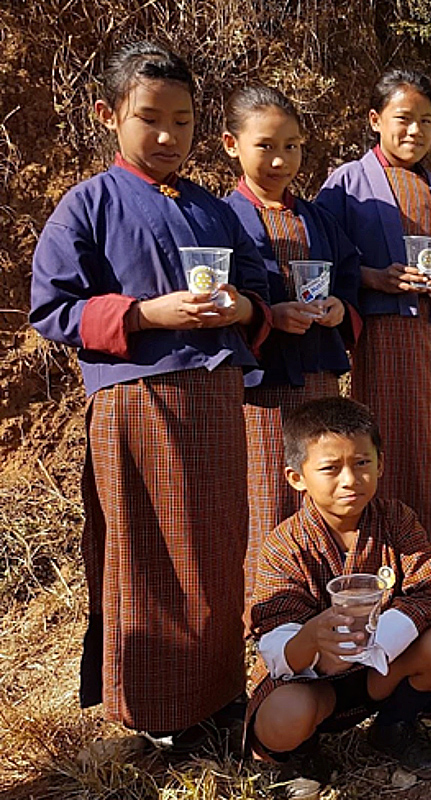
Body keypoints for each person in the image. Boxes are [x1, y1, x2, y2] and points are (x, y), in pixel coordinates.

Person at [28, 42, 271, 750]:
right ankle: (158, 712)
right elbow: (52, 309)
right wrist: (142, 314)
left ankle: (219, 693)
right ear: (109, 115)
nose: (168, 137)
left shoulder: (212, 209)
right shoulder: (88, 205)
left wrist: (242, 308)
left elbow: (257, 288)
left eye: (183, 122)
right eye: (150, 119)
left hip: (217, 397)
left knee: (218, 548)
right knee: (149, 555)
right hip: (139, 401)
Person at [246, 397, 431, 798]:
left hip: (380, 669)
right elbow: (272, 632)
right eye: (330, 468)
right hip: (313, 683)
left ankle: (395, 725)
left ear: (380, 464)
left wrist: (379, 638)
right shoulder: (285, 545)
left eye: (362, 462)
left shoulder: (396, 520)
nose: (350, 479)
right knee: (286, 715)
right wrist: (312, 638)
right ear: (297, 478)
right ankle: (301, 755)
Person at [316, 69, 431, 567]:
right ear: (375, 119)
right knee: (382, 443)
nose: (415, 131)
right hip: (382, 336)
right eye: (403, 118)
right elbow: (322, 257)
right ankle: (380, 561)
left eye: (426, 121)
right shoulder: (348, 183)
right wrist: (373, 278)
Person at [221, 85, 362, 614]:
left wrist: (340, 309)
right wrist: (268, 316)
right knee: (269, 493)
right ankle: (268, 611)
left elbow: (348, 278)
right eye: (266, 146)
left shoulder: (317, 218)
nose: (280, 160)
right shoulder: (224, 216)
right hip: (262, 386)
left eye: (292, 146)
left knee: (323, 489)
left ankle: (323, 598)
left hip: (319, 376)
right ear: (232, 145)